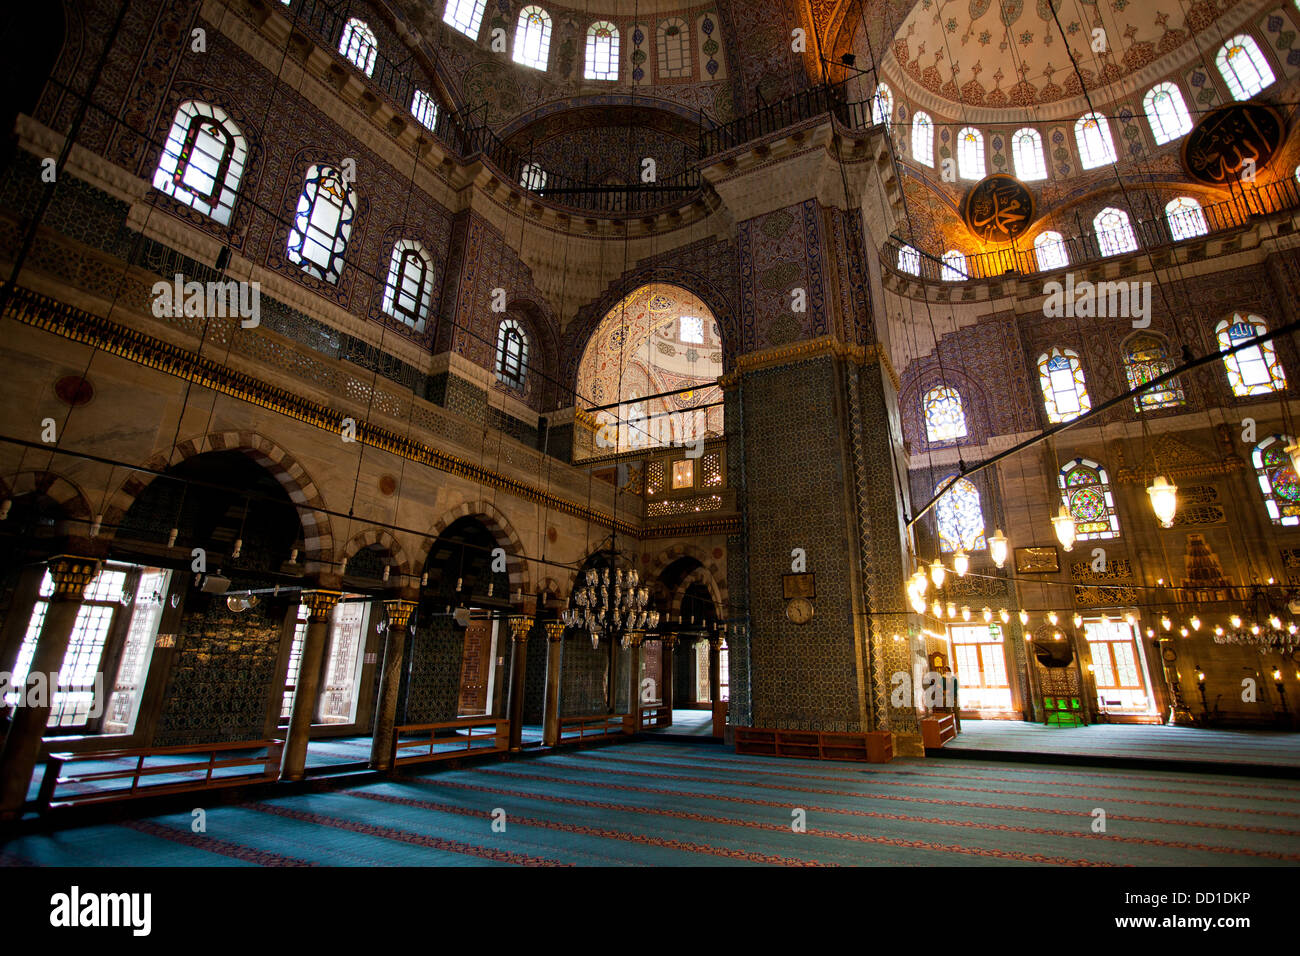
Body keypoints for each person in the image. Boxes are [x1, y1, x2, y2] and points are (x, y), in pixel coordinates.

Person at [940, 665, 961, 733]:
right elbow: (940, 687)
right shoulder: (942, 678)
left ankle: (958, 728)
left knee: (956, 712)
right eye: (945, 671)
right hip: (947, 697)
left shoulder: (953, 678)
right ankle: (950, 729)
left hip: (954, 696)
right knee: (948, 713)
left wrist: (950, 691)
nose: (946, 672)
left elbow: (956, 687)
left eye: (947, 670)